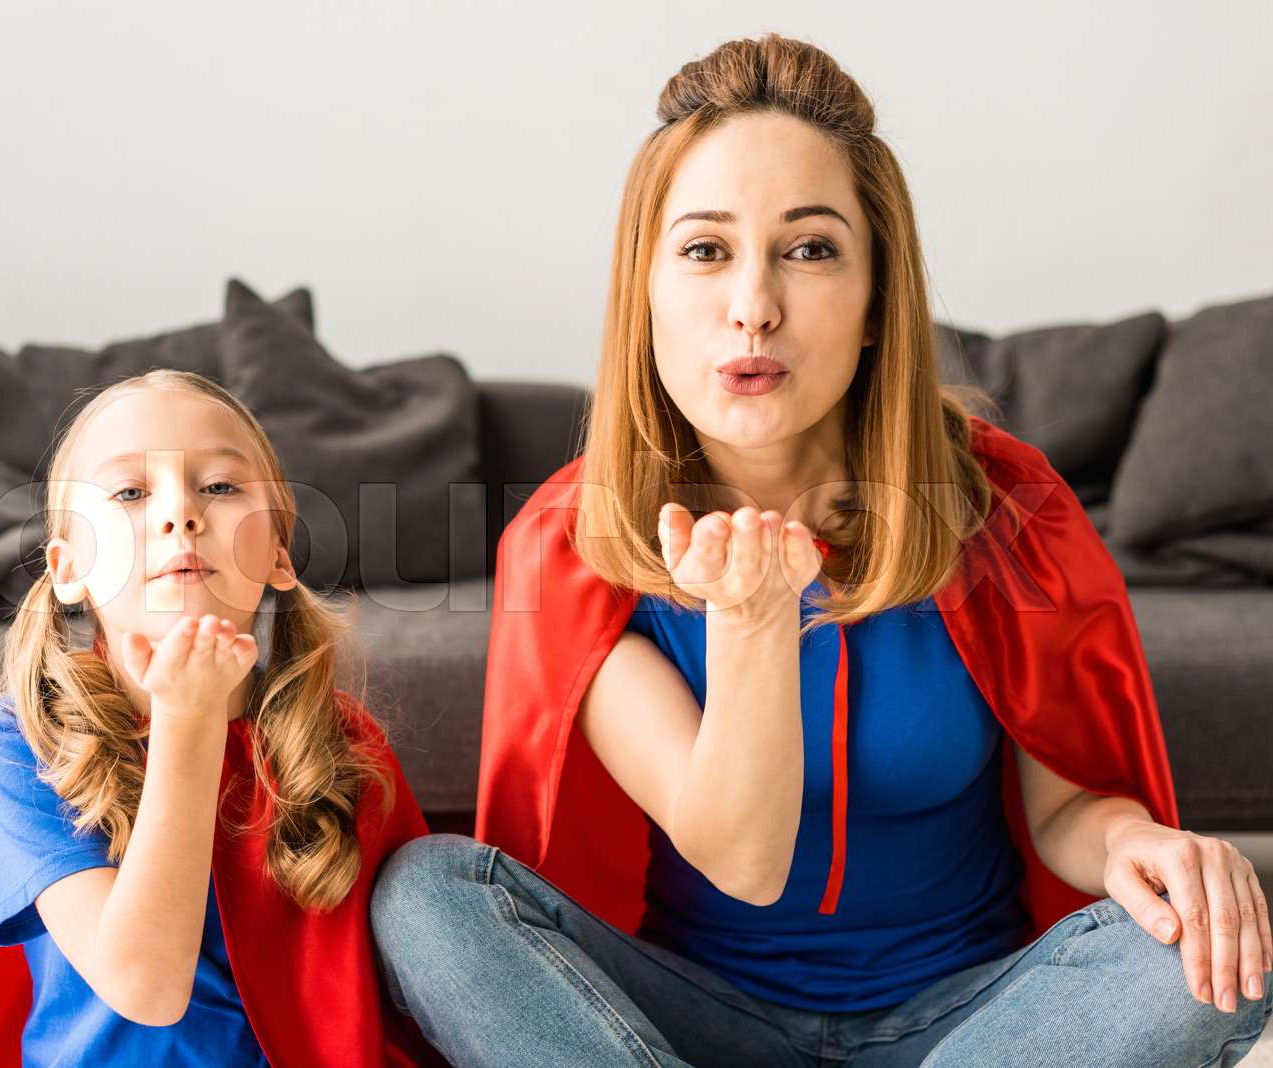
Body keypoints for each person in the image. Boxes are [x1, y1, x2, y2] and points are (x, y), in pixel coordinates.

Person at [369, 33, 1273, 1067]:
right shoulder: (576, 544)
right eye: (705, 250)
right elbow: (743, 860)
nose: (754, 305)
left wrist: (1136, 846)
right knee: (431, 893)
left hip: (975, 1026)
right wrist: (753, 622)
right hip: (681, 1024)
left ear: (879, 295)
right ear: (646, 292)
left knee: (1190, 954)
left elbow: (1067, 802)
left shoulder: (1003, 504)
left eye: (808, 249)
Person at [0, 369, 444, 1067]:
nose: (181, 513)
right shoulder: (23, 739)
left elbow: (417, 976)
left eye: (222, 487)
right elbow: (146, 987)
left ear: (278, 556)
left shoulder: (339, 738)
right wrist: (187, 719)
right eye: (131, 492)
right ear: (69, 567)